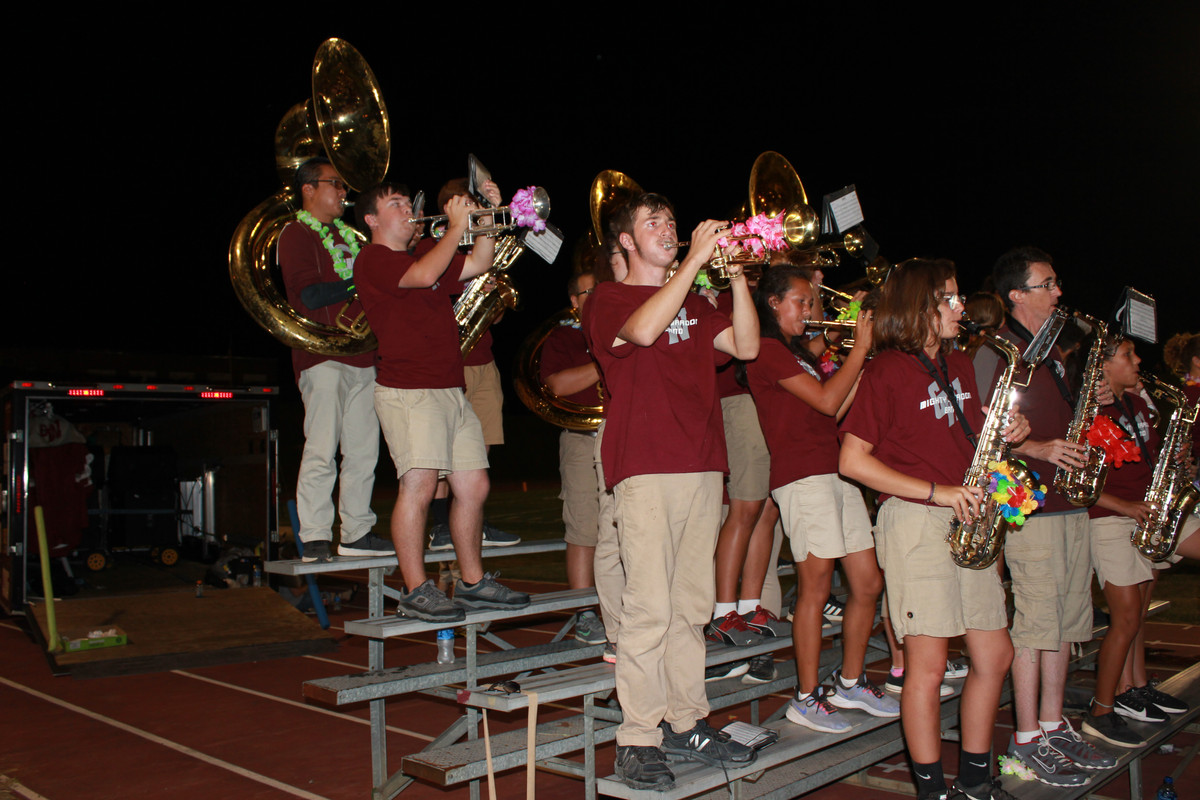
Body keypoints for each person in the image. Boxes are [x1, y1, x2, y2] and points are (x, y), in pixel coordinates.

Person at [582, 193, 759, 790]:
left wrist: (734, 279)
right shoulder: (609, 298)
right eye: (652, 222)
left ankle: (687, 719)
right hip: (645, 468)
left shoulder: (698, 296)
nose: (669, 229)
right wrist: (693, 266)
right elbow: (644, 328)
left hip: (703, 466)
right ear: (627, 242)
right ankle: (637, 737)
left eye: (672, 222)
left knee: (690, 609)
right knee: (649, 609)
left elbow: (748, 347)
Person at [840, 258, 1027, 800]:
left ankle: (973, 779)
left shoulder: (961, 364)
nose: (959, 306)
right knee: (928, 662)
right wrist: (934, 491)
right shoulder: (886, 371)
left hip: (965, 515)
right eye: (949, 297)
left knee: (995, 655)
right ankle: (931, 790)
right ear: (920, 306)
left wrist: (1012, 433)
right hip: (916, 519)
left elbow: (965, 441)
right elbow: (852, 461)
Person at [353, 181, 529, 622]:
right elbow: (426, 276)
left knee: (474, 485)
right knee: (420, 485)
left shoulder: (420, 255)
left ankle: (472, 583)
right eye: (394, 204)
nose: (406, 208)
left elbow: (481, 263)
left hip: (450, 389)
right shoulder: (373, 259)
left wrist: (485, 218)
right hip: (410, 390)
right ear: (372, 220)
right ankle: (415, 589)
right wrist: (455, 225)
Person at [744, 265, 898, 731]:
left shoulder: (799, 354)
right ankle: (805, 696)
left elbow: (837, 407)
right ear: (773, 303)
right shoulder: (766, 352)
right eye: (802, 301)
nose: (810, 311)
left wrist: (864, 367)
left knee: (868, 583)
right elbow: (828, 401)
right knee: (814, 588)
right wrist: (862, 349)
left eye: (810, 302)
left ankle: (849, 683)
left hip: (836, 471)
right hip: (802, 478)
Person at [974, 246, 1107, 782]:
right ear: (1017, 296)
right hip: (1027, 503)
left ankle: (1053, 724)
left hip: (1068, 501)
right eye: (1047, 284)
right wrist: (1044, 449)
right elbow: (984, 432)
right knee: (1034, 623)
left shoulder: (1052, 353)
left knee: (1064, 622)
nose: (1058, 293)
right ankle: (1028, 735)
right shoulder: (998, 351)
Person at [278, 157, 392, 563]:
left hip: (364, 356)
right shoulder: (295, 233)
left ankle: (357, 531)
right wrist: (359, 281)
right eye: (335, 185)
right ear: (309, 189)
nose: (344, 194)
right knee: (322, 448)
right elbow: (308, 295)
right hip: (321, 355)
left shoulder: (352, 235)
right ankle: (314, 535)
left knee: (364, 451)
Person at [1081, 336, 1192, 747]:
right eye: (1128, 355)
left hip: (1147, 510)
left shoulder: (1138, 401)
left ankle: (1134, 688)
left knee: (1140, 609)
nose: (1138, 360)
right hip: (1111, 518)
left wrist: (1175, 458)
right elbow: (1078, 483)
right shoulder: (1091, 410)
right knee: (1126, 617)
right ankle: (1101, 709)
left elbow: (1149, 453)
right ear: (1105, 366)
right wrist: (1125, 507)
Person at [427, 178, 520, 554]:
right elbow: (429, 304)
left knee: (478, 452)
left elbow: (494, 318)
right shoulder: (436, 246)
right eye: (464, 203)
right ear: (448, 207)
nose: (471, 209)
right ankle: (439, 526)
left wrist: (488, 295)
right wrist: (467, 292)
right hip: (449, 362)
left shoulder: (480, 247)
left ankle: (472, 520)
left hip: (483, 360)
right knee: (443, 453)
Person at [540, 268, 607, 644]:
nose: (595, 296)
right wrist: (604, 364)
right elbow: (558, 384)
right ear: (574, 301)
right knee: (583, 528)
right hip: (582, 437)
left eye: (600, 289)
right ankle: (584, 613)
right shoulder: (562, 336)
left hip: (623, 436)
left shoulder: (622, 327)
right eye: (587, 292)